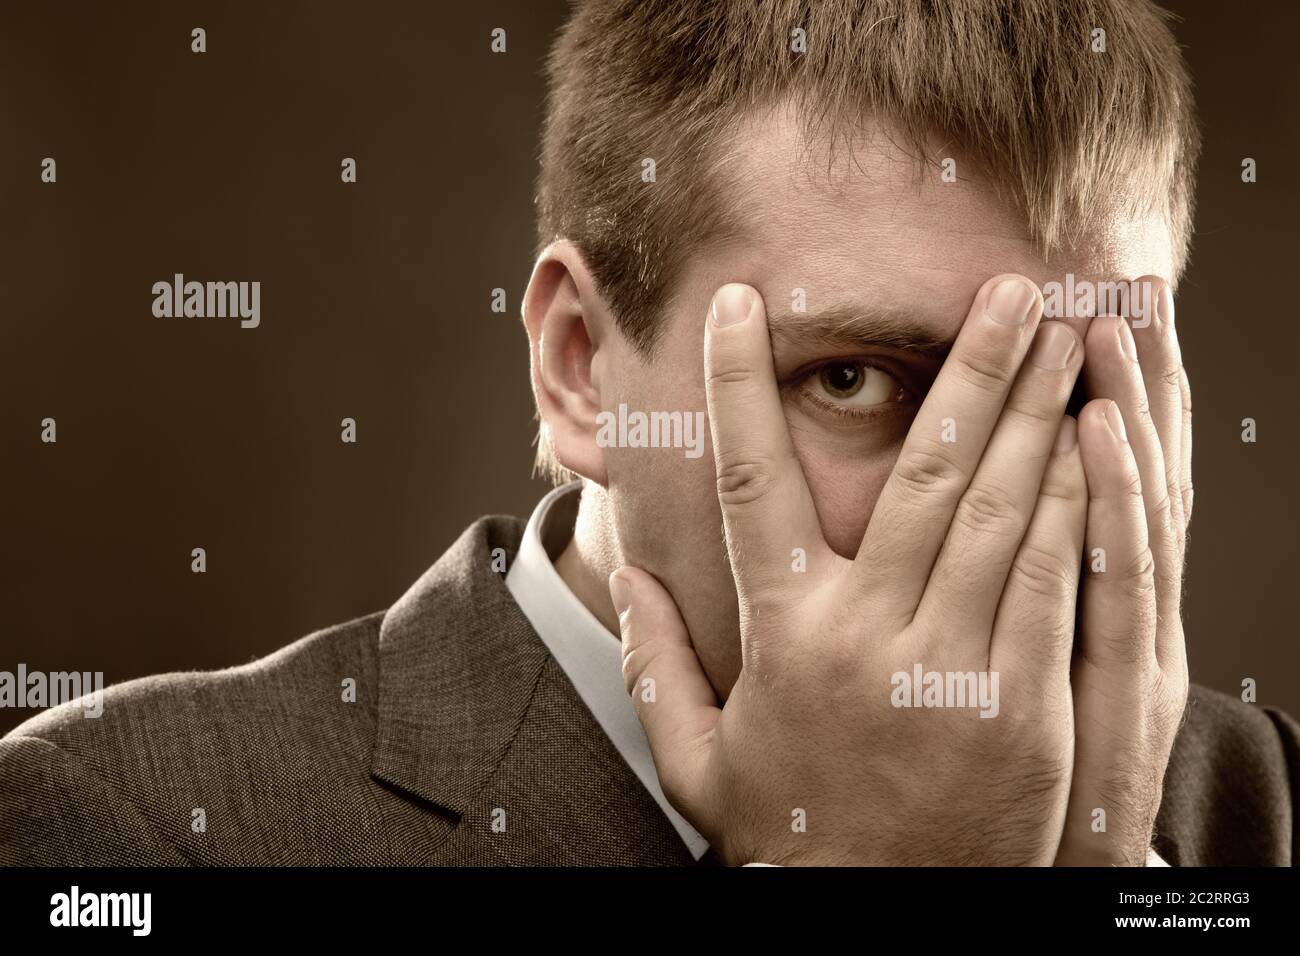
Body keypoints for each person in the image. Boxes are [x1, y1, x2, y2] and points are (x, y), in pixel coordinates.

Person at [2, 0, 1295, 866]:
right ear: (580, 369)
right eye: (852, 379)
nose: (984, 512)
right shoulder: (124, 824)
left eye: (1074, 391)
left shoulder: (1264, 799)